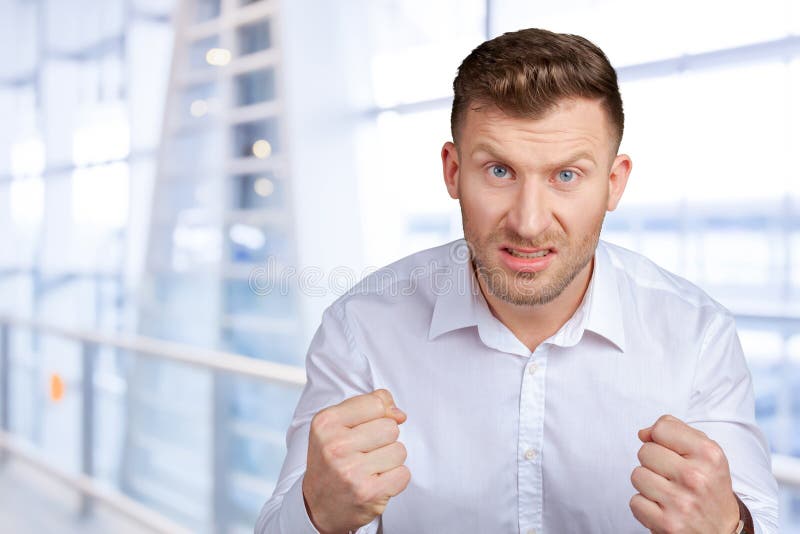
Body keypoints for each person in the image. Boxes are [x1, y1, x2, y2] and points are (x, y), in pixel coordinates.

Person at [255, 28, 779, 534]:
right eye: (499, 171)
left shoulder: (697, 335)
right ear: (453, 171)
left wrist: (730, 530)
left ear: (613, 183)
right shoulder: (361, 329)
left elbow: (760, 521)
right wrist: (316, 515)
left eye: (566, 176)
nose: (529, 223)